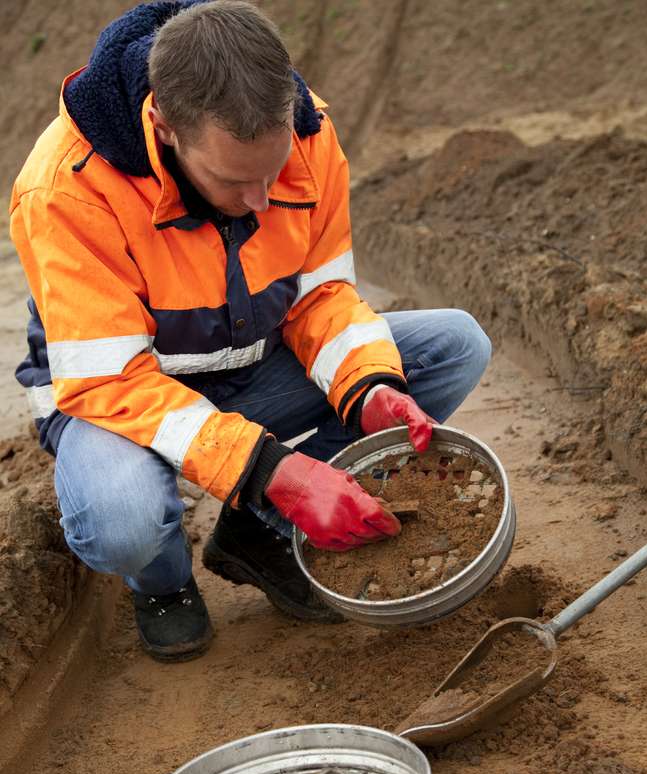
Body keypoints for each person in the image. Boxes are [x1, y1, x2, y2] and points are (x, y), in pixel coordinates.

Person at [10, 0, 491, 663]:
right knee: (123, 517)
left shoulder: (306, 130)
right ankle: (164, 584)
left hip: (245, 366)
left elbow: (320, 294)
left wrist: (371, 386)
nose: (265, 199)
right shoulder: (66, 188)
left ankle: (257, 535)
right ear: (166, 127)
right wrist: (275, 469)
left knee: (453, 347)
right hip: (116, 403)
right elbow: (110, 381)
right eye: (237, 182)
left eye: (274, 173)